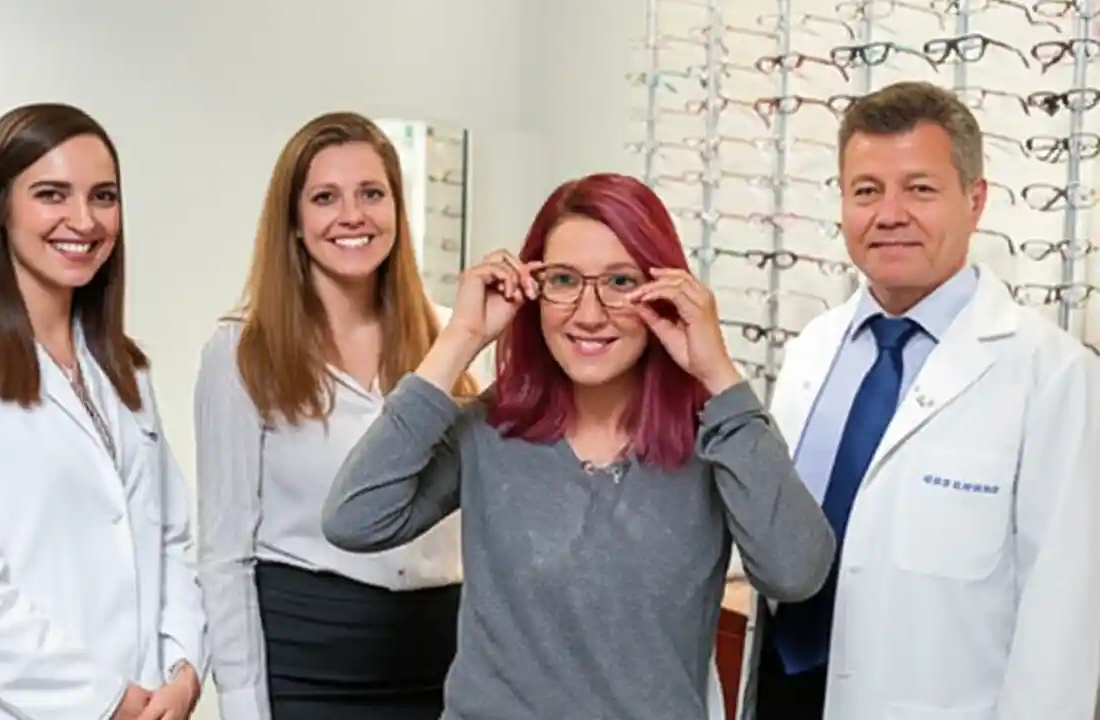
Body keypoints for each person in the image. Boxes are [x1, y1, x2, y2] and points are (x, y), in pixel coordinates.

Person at [320, 172, 836, 719]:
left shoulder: (720, 436)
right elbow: (354, 518)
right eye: (564, 280)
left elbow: (796, 572)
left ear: (664, 292)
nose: (589, 315)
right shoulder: (492, 428)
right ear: (533, 292)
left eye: (619, 282)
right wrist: (460, 338)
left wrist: (719, 374)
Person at [745, 80, 1100, 719]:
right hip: (784, 697)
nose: (889, 213)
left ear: (975, 199)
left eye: (921, 188)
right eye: (866, 191)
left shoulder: (1051, 376)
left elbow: (1064, 618)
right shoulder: (810, 350)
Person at [0, 103, 207, 719]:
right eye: (51, 194)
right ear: (1, 207)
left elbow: (171, 538)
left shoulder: (123, 369)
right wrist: (102, 699)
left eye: (103, 197)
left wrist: (182, 668)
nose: (82, 221)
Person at [195, 110, 480, 720]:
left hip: (443, 662)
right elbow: (225, 553)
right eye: (326, 197)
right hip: (307, 664)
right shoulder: (243, 350)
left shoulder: (454, 334)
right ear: (294, 223)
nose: (353, 215)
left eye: (372, 194)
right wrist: (243, 708)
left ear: (399, 211)